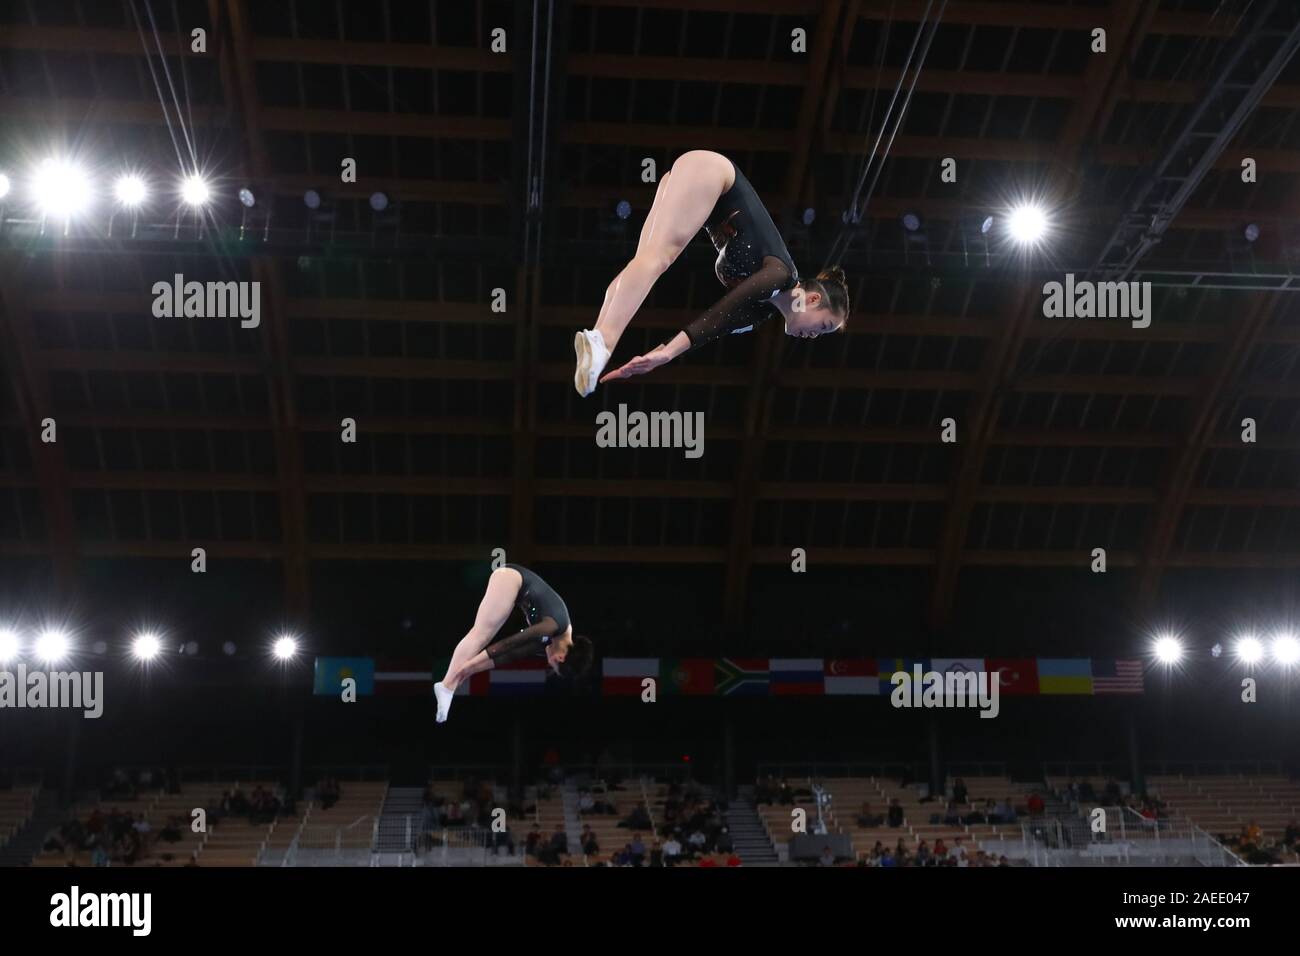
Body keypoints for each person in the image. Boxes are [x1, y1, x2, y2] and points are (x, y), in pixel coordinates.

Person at [572, 149, 851, 396]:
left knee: (645, 261)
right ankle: (604, 342)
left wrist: (658, 356)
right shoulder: (781, 275)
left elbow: (714, 327)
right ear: (813, 299)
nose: (814, 336)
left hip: (698, 183)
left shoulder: (760, 313)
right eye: (823, 326)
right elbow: (721, 310)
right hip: (714, 174)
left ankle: (597, 336)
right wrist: (667, 353)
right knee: (658, 259)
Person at [434, 564, 595, 722]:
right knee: (481, 635)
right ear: (561, 657)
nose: (548, 661)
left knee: (481, 636)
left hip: (513, 587)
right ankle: (447, 686)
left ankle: (448, 686)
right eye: (553, 665)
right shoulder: (554, 625)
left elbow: (509, 655)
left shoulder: (548, 641)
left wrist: (469, 670)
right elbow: (508, 644)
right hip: (512, 578)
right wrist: (466, 668)